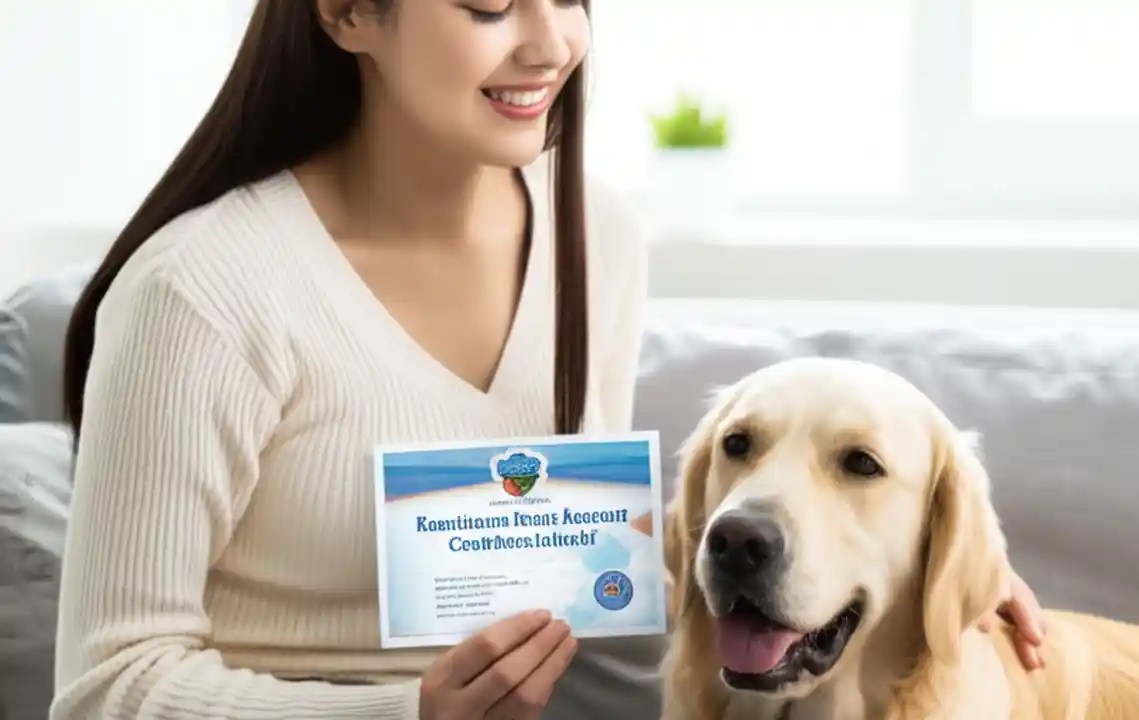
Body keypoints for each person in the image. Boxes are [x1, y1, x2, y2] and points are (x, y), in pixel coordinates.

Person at [51, 1, 1046, 718]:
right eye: (489, 3)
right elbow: (104, 688)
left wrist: (930, 568)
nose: (550, 42)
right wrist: (405, 715)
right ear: (348, 14)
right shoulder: (200, 294)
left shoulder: (598, 237)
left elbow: (573, 559)